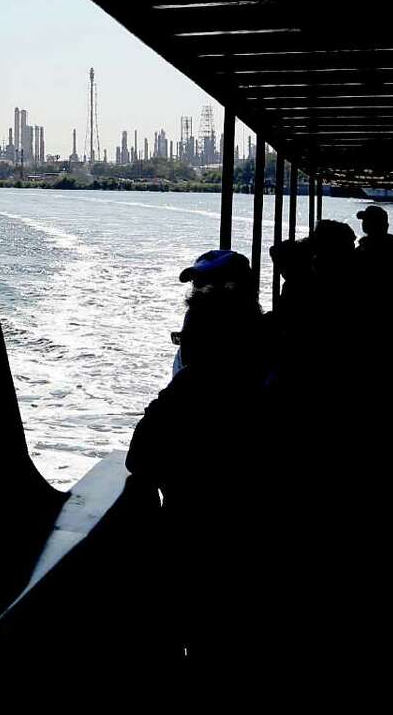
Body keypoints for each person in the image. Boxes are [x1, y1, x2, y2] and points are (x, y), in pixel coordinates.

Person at [128, 250, 276, 675]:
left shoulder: (195, 389)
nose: (199, 291)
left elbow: (143, 457)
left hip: (205, 541)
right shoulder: (271, 360)